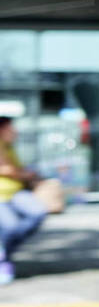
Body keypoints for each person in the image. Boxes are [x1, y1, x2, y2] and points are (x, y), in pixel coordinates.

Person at [0, 116, 50, 283]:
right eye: (10, 128)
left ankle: (4, 252)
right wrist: (24, 174)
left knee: (38, 212)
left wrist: (27, 175)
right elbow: (6, 169)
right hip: (1, 195)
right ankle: (3, 258)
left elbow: (14, 169)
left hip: (16, 192)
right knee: (10, 226)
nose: (14, 132)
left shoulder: (9, 147)